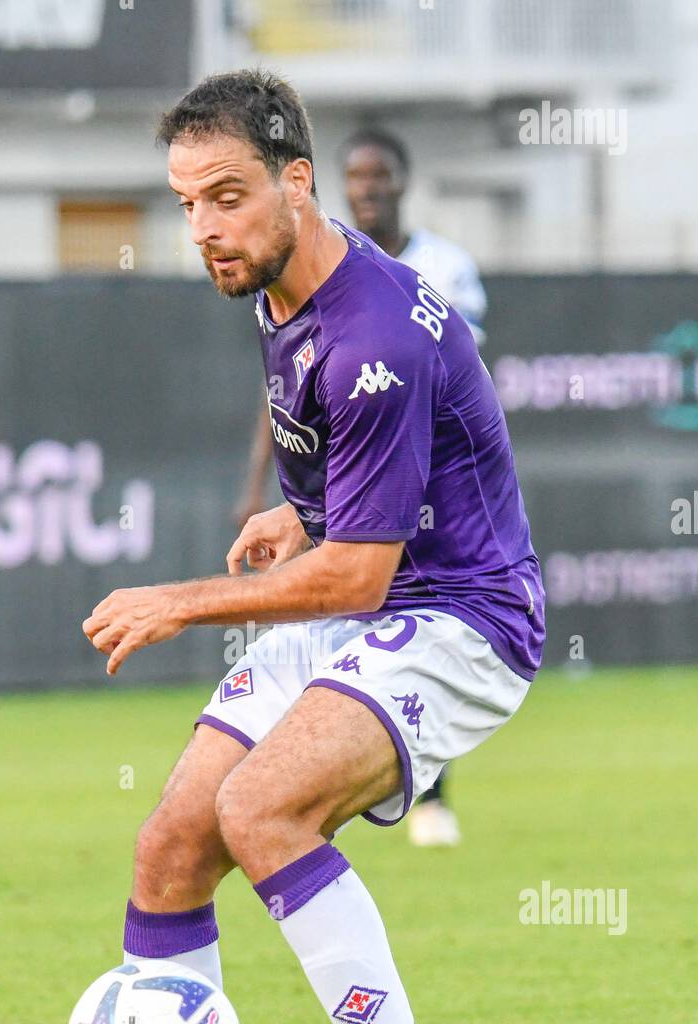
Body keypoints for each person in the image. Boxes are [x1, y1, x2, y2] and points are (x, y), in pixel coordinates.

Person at [43, 68, 544, 1024]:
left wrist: (182, 600)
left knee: (260, 808)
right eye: (185, 205)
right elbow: (352, 520)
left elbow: (362, 574)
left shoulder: (371, 331)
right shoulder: (283, 296)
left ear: (296, 183)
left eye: (226, 197)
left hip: (458, 619)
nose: (204, 229)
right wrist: (300, 516)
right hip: (367, 602)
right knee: (170, 843)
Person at [234, 127, 488, 849]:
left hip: (427, 468)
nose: (367, 188)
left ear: (405, 182)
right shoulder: (318, 264)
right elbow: (283, 395)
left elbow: (449, 373)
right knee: (341, 620)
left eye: (380, 176)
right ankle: (316, 786)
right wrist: (262, 485)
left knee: (423, 621)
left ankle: (425, 791)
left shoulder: (444, 266)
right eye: (357, 176)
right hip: (343, 473)